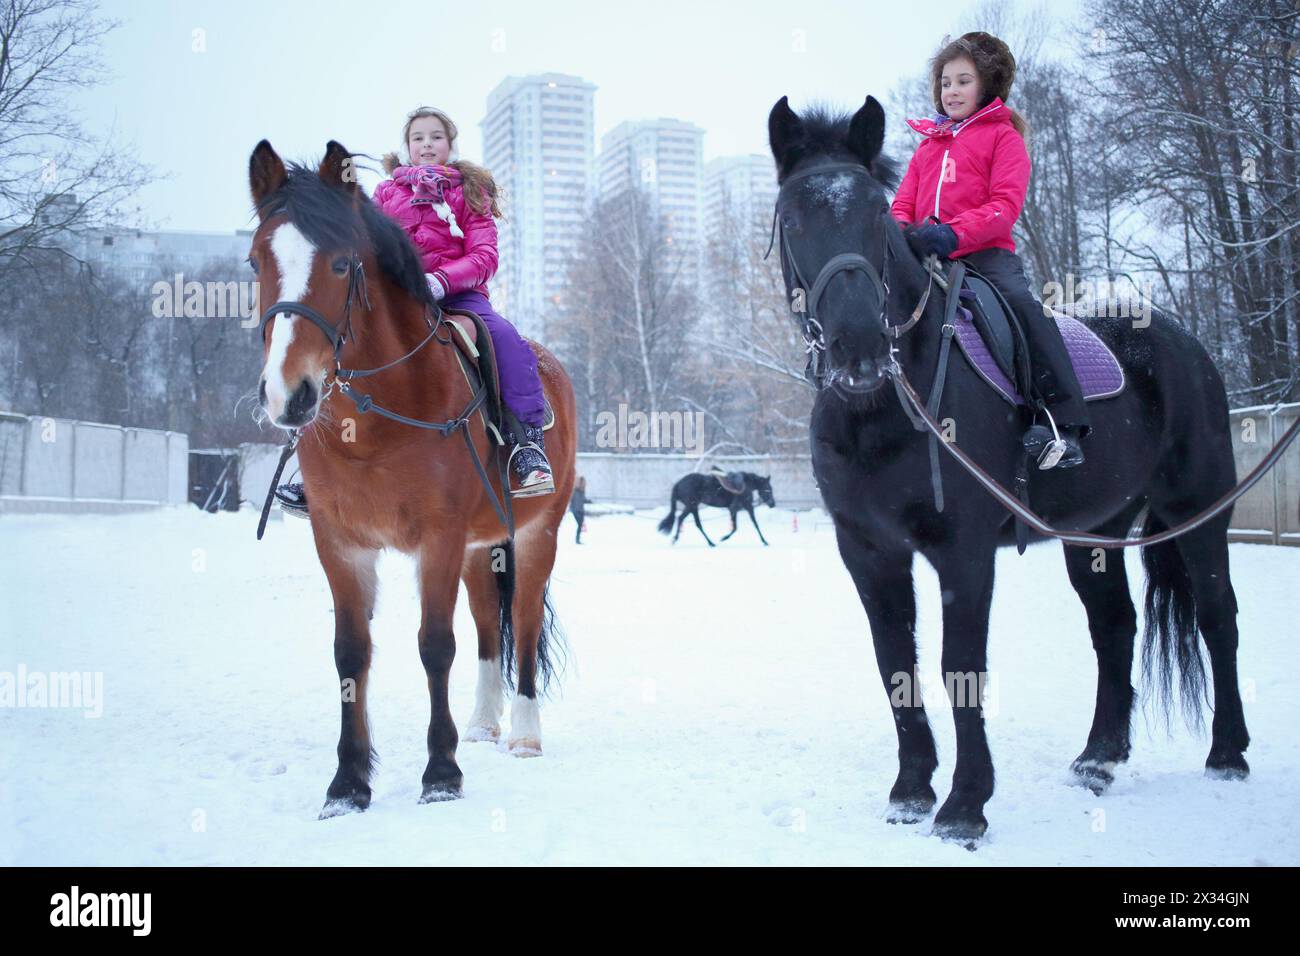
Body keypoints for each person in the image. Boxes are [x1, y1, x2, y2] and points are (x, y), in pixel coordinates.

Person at [276, 106, 552, 518]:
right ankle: (314, 463)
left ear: (450, 144)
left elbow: (485, 255)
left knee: (505, 338)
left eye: (435, 136)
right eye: (418, 137)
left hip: (460, 298)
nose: (427, 144)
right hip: (400, 301)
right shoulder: (387, 193)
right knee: (341, 346)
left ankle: (526, 443)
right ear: (407, 146)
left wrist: (441, 281)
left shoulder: (471, 191)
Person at [891, 32, 1090, 469]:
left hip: (987, 259)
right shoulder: (927, 147)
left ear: (987, 85)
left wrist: (951, 234)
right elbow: (903, 203)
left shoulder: (1004, 138)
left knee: (1025, 309)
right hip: (928, 261)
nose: (952, 91)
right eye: (945, 82)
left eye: (963, 81)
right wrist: (902, 234)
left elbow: (1004, 207)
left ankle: (1063, 420)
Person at [569, 475, 590, 544]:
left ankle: (578, 539)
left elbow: (583, 500)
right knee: (579, 524)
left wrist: (588, 501)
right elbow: (570, 500)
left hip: (581, 511)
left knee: (580, 525)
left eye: (583, 483)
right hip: (575, 511)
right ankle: (577, 540)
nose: (582, 484)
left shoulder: (582, 492)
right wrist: (572, 508)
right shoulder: (574, 491)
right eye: (581, 483)